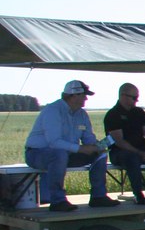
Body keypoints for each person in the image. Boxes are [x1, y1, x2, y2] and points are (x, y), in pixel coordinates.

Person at [23, 79, 120, 211]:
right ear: (74, 96)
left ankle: (99, 196)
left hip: (66, 155)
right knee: (59, 154)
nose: (86, 98)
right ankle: (58, 201)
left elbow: (88, 138)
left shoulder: (82, 114)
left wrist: (97, 146)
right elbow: (54, 142)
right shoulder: (52, 111)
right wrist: (81, 148)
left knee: (101, 154)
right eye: (84, 95)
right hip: (37, 154)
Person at [102, 82, 145, 205]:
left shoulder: (139, 112)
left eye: (137, 97)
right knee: (132, 158)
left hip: (141, 149)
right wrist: (140, 153)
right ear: (123, 96)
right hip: (120, 152)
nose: (136, 100)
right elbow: (119, 141)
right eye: (134, 97)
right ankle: (138, 194)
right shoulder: (112, 115)